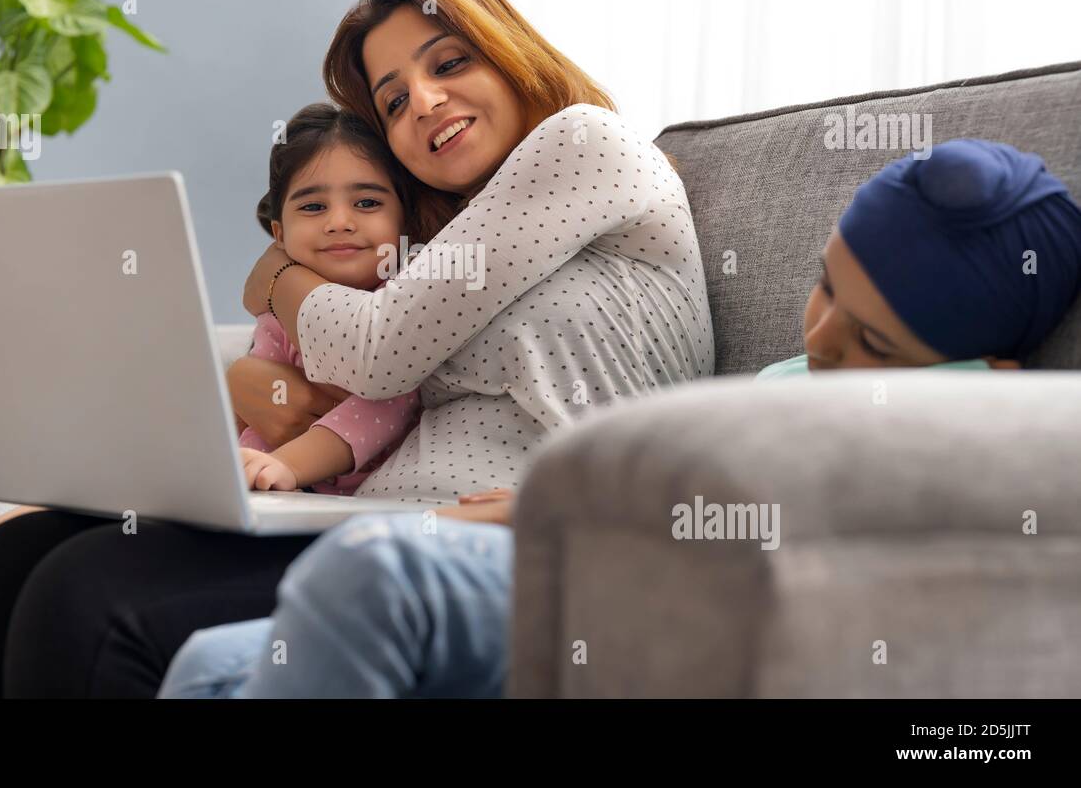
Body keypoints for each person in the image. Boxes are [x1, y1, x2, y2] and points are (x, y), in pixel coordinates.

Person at [0, 0, 714, 697]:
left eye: (448, 63)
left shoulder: (587, 144)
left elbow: (375, 351)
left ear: (510, 54)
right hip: (370, 516)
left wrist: (276, 274)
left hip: (482, 541)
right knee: (9, 564)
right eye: (395, 101)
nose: (427, 102)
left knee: (87, 598)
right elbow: (329, 372)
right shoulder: (443, 236)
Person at [157, 137, 1081, 698]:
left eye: (874, 343)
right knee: (210, 662)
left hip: (658, 602)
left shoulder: (962, 434)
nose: (825, 341)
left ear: (985, 379)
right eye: (826, 287)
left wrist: (556, 506)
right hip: (589, 562)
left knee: (380, 572)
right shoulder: (803, 375)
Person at [0, 101, 425, 693]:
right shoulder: (280, 316)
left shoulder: (401, 317)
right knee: (45, 516)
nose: (340, 220)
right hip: (245, 488)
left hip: (314, 506)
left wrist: (285, 464)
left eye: (367, 201)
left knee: (100, 564)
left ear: (407, 219)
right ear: (276, 230)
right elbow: (252, 399)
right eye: (313, 207)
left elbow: (379, 408)